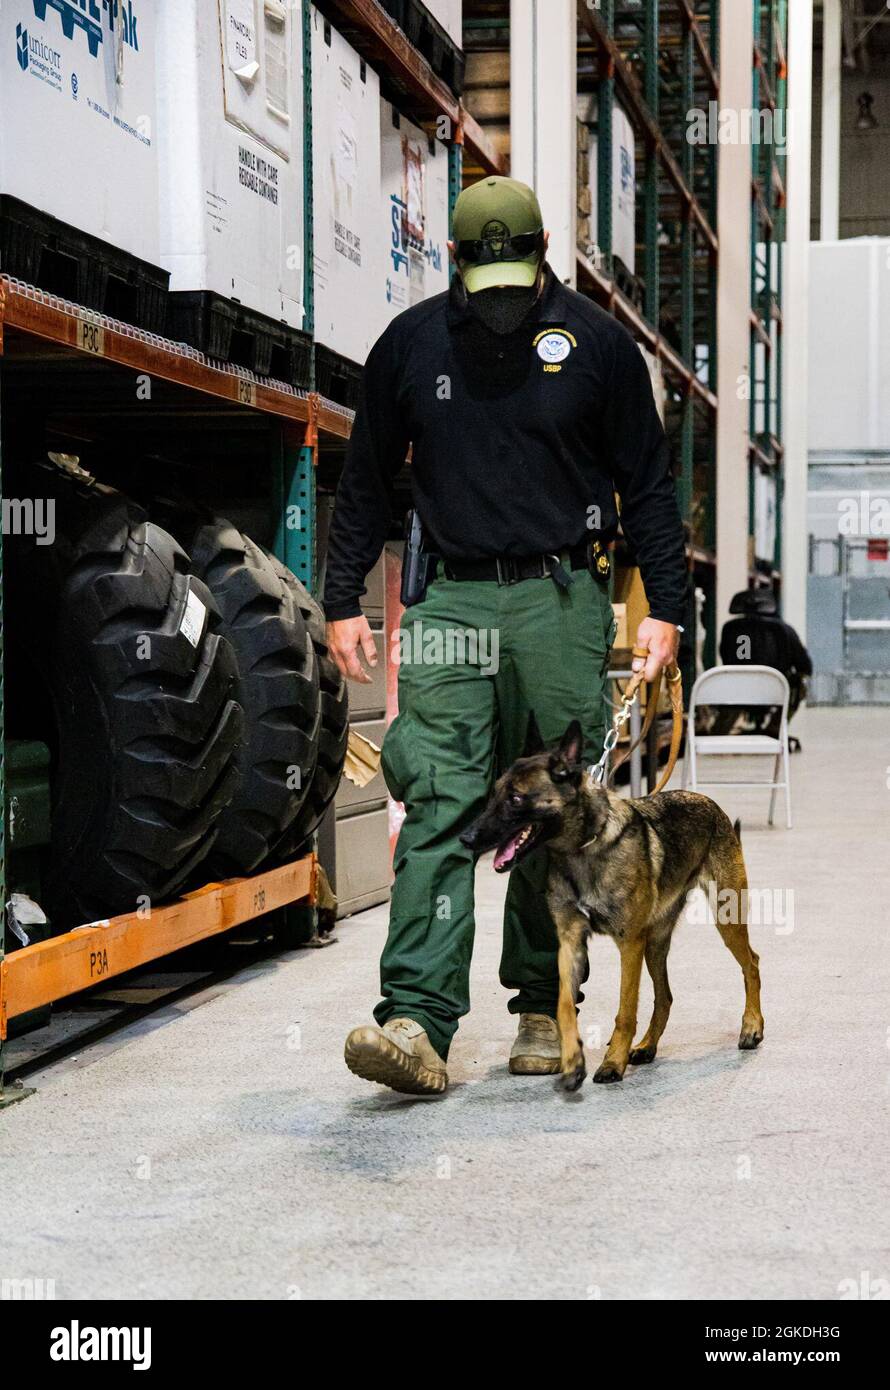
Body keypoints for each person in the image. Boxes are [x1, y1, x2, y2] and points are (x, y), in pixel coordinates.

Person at [323, 175, 688, 1095]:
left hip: (562, 601)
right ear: (453, 262)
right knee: (440, 798)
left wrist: (671, 611)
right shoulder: (409, 346)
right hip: (449, 603)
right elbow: (365, 478)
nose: (500, 301)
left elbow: (647, 485)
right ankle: (417, 1020)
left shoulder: (601, 349)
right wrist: (339, 600)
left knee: (551, 811)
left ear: (545, 254)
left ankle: (540, 1002)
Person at [716, 588, 812, 743]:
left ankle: (720, 729)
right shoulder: (784, 630)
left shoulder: (731, 629)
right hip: (775, 689)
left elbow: (725, 657)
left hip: (737, 690)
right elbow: (805, 665)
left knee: (727, 678)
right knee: (800, 681)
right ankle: (775, 727)